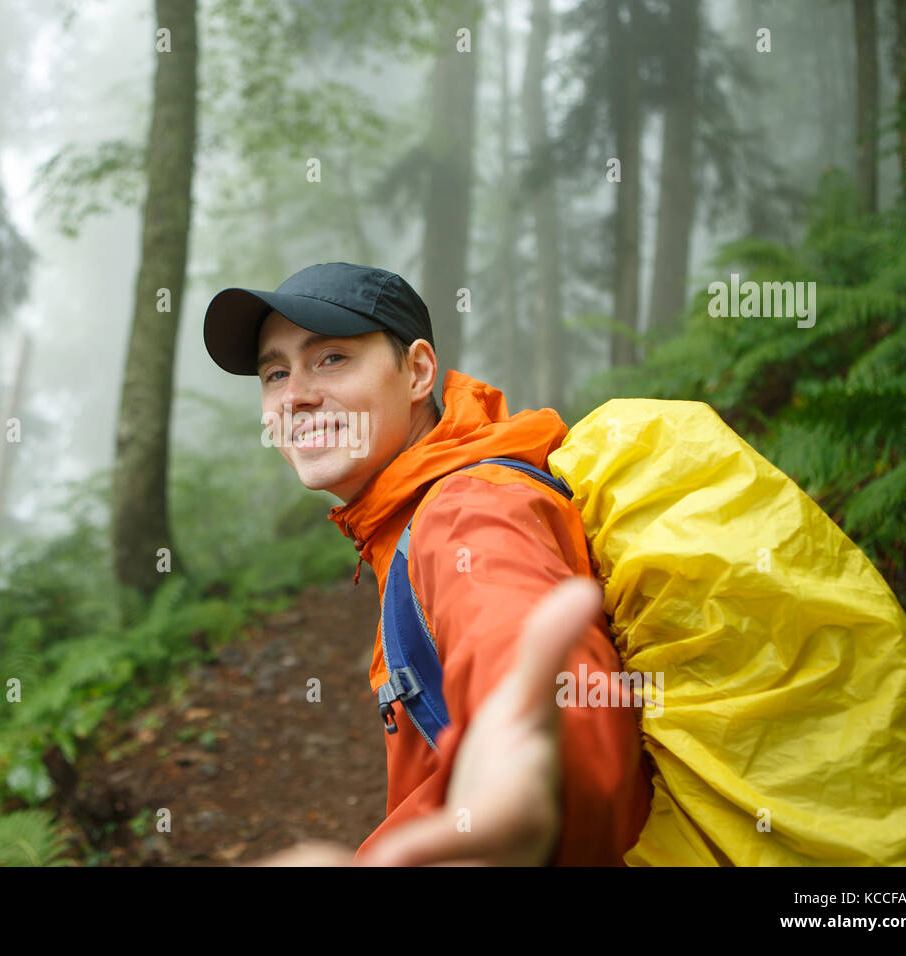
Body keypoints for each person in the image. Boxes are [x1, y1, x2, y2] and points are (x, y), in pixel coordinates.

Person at [202, 262, 652, 865]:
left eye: (330, 358)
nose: (296, 395)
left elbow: (525, 651)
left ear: (417, 372)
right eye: (275, 373)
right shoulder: (411, 518)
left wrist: (529, 779)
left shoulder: (467, 512)